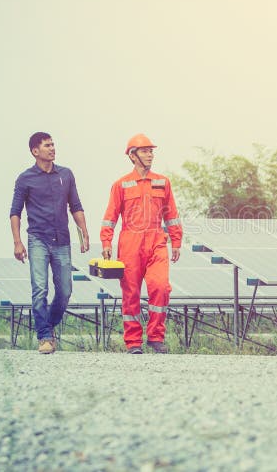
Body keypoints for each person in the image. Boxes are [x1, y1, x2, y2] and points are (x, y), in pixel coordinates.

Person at [100, 133, 182, 354]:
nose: (150, 154)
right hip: (130, 243)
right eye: (145, 151)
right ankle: (133, 341)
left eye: (151, 150)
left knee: (161, 287)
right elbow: (110, 216)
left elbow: (171, 214)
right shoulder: (121, 185)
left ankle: (156, 337)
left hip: (156, 241)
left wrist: (176, 240)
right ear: (132, 155)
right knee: (131, 292)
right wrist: (106, 241)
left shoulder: (162, 182)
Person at [10, 132, 89, 354]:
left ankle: (49, 326)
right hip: (37, 240)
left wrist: (84, 232)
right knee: (40, 289)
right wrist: (17, 242)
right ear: (35, 151)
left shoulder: (66, 174)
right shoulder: (25, 179)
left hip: (62, 240)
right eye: (47, 145)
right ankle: (44, 336)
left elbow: (76, 205)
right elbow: (15, 212)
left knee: (65, 290)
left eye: (53, 144)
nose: (52, 148)